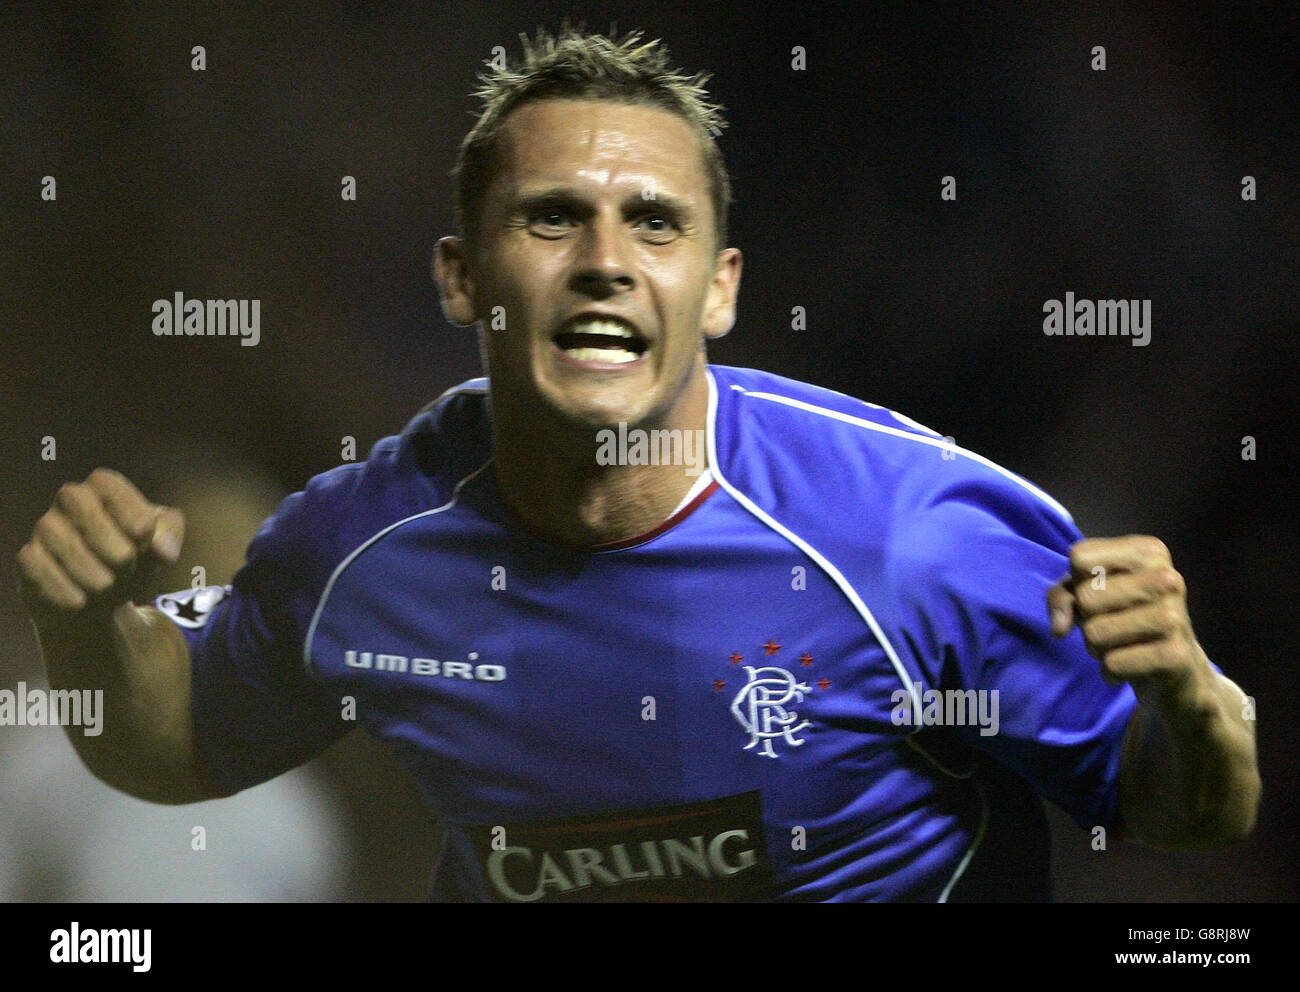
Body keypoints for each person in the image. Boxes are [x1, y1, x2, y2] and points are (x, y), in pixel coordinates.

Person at [15, 27, 1259, 902]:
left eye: (654, 222)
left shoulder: (909, 530)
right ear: (461, 275)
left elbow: (1189, 809)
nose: (605, 258)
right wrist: (82, 628)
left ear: (718, 288)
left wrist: (1192, 701)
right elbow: (172, 748)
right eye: (551, 215)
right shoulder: (360, 545)